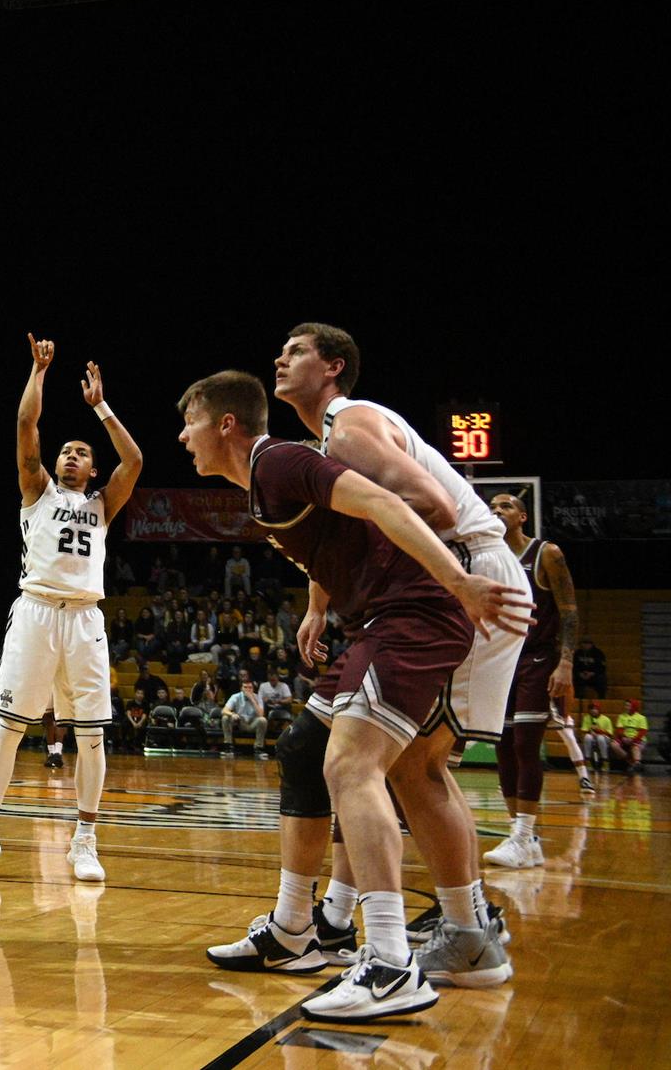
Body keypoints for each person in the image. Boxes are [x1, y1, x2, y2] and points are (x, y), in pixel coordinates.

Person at [179, 369, 527, 1023]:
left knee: (353, 764)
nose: (182, 435)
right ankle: (296, 930)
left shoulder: (279, 459)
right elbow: (335, 548)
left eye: (189, 420)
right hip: (378, 615)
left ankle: (390, 959)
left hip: (414, 606)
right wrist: (318, 607)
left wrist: (457, 580)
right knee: (309, 745)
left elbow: (386, 505)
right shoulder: (265, 486)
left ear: (225, 423)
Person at [274, 323, 534, 980]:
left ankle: (467, 938)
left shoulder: (349, 422)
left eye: (297, 350)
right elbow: (354, 520)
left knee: (412, 766)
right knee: (420, 763)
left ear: (333, 367)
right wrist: (317, 603)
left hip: (467, 577)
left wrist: (435, 584)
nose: (281, 358)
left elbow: (431, 506)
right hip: (471, 577)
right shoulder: (333, 435)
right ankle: (469, 928)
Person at [0, 336, 142, 886]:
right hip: (37, 611)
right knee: (10, 730)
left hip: (85, 619)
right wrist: (38, 372)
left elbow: (134, 460)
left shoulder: (103, 504)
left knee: (91, 738)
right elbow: (26, 429)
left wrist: (101, 410)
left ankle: (85, 841)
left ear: (92, 470)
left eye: (81, 452)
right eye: (66, 450)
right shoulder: (36, 491)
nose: (71, 455)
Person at [486, 491, 593, 871]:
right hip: (502, 660)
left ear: (522, 517)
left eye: (505, 506)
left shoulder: (546, 554)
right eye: (492, 507)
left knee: (525, 743)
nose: (497, 511)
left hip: (538, 657)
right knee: (501, 744)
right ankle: (522, 837)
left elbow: (570, 612)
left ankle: (524, 834)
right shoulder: (489, 560)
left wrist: (565, 663)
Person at [222, 678, 267, 756]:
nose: (247, 689)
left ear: (253, 689)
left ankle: (258, 748)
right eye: (245, 687)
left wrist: (252, 700)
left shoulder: (258, 697)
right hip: (240, 722)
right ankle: (228, 746)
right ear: (241, 688)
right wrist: (232, 714)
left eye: (250, 687)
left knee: (263, 720)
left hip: (253, 723)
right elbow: (224, 710)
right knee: (225, 718)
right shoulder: (235, 696)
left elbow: (261, 714)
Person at [613, 699, 650, 771]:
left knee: (635, 747)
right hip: (624, 737)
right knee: (614, 745)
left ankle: (637, 764)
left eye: (628, 706)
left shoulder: (641, 718)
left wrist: (633, 740)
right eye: (626, 705)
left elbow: (643, 732)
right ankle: (630, 761)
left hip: (637, 738)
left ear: (634, 706)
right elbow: (619, 729)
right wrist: (624, 737)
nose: (626, 707)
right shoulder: (622, 716)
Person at [581, 703, 614, 770]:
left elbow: (610, 734)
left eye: (595, 709)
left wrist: (599, 731)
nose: (593, 711)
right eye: (592, 709)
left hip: (604, 738)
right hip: (592, 737)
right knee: (587, 737)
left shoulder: (606, 719)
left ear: (599, 710)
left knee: (600, 738)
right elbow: (583, 730)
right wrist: (590, 731)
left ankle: (605, 761)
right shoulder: (587, 718)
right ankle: (588, 760)